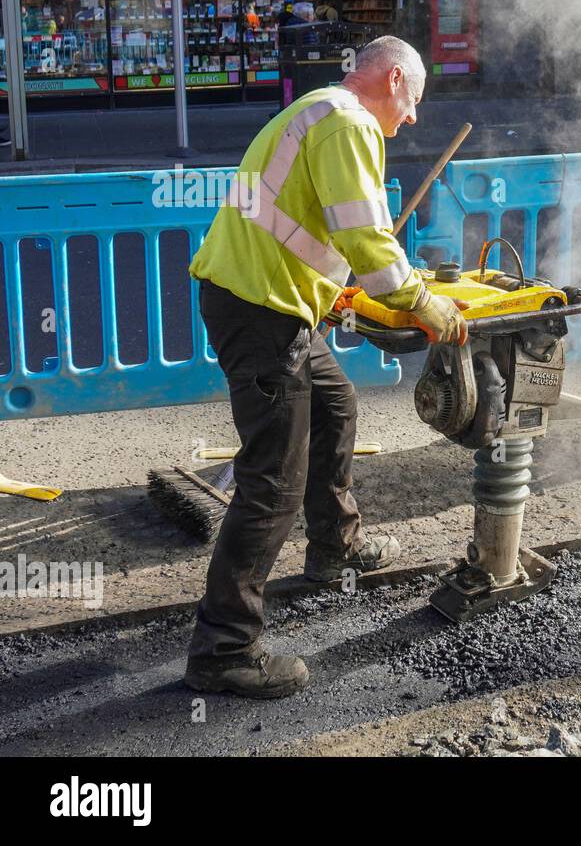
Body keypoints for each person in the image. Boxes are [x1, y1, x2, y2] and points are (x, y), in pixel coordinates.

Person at [184, 36, 464, 699]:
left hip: (270, 300)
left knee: (336, 404)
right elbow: (366, 236)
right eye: (415, 101)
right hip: (261, 311)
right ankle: (223, 648)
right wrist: (424, 304)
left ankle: (334, 547)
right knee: (272, 480)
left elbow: (293, 220)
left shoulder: (317, 108)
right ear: (394, 79)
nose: (413, 118)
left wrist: (328, 285)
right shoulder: (349, 122)